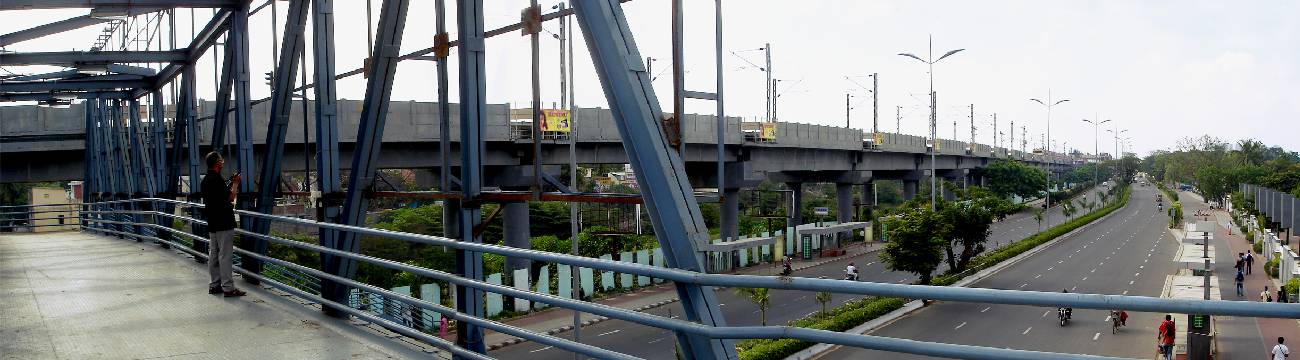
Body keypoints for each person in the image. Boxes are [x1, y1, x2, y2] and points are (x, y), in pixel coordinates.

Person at [202, 152, 246, 298]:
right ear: (217, 163)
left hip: (212, 222)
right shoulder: (217, 180)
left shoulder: (206, 180)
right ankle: (228, 287)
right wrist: (235, 183)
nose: (223, 162)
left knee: (213, 254)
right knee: (225, 255)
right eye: (221, 160)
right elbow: (230, 197)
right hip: (224, 222)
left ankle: (214, 285)